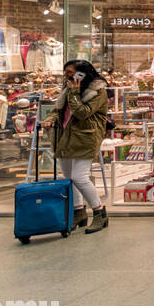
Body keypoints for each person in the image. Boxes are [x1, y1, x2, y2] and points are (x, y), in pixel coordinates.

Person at [46, 59, 109, 234]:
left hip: (85, 138)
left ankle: (99, 213)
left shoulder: (97, 91)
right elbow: (58, 110)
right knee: (67, 177)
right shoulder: (67, 89)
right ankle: (78, 212)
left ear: (83, 74)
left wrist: (74, 93)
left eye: (70, 72)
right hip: (65, 137)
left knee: (80, 177)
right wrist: (50, 119)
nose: (66, 76)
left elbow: (82, 113)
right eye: (65, 72)